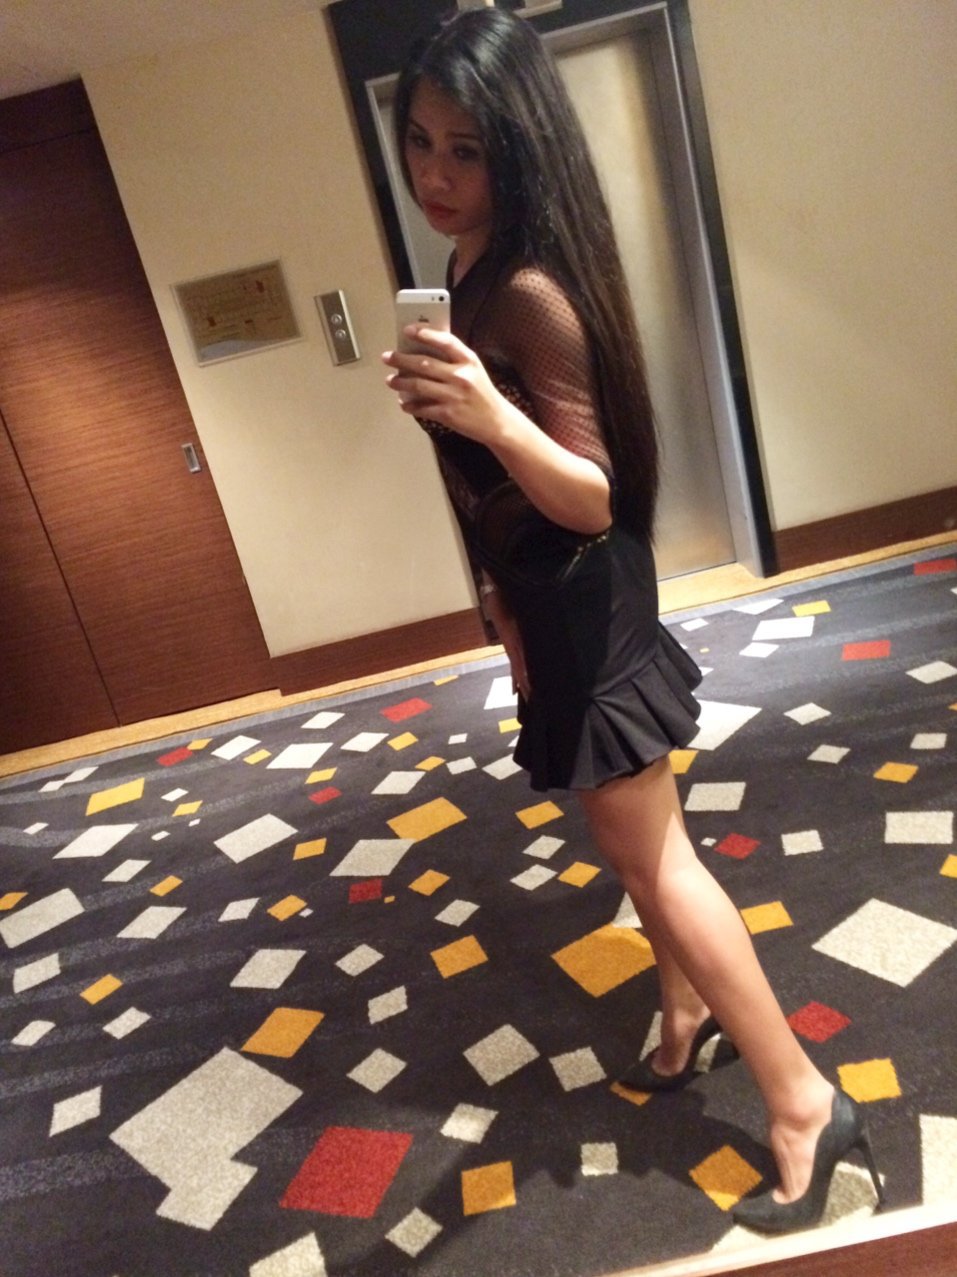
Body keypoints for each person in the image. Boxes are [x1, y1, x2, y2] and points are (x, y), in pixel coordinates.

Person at [382, 7, 883, 1235]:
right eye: (422, 143)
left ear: (518, 149)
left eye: (467, 151)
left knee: (655, 855)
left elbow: (592, 493)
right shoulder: (467, 274)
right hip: (547, 600)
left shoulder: (529, 292)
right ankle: (685, 1009)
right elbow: (494, 491)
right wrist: (497, 598)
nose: (437, 175)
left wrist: (491, 417)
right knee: (637, 846)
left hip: (584, 596)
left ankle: (804, 1101)